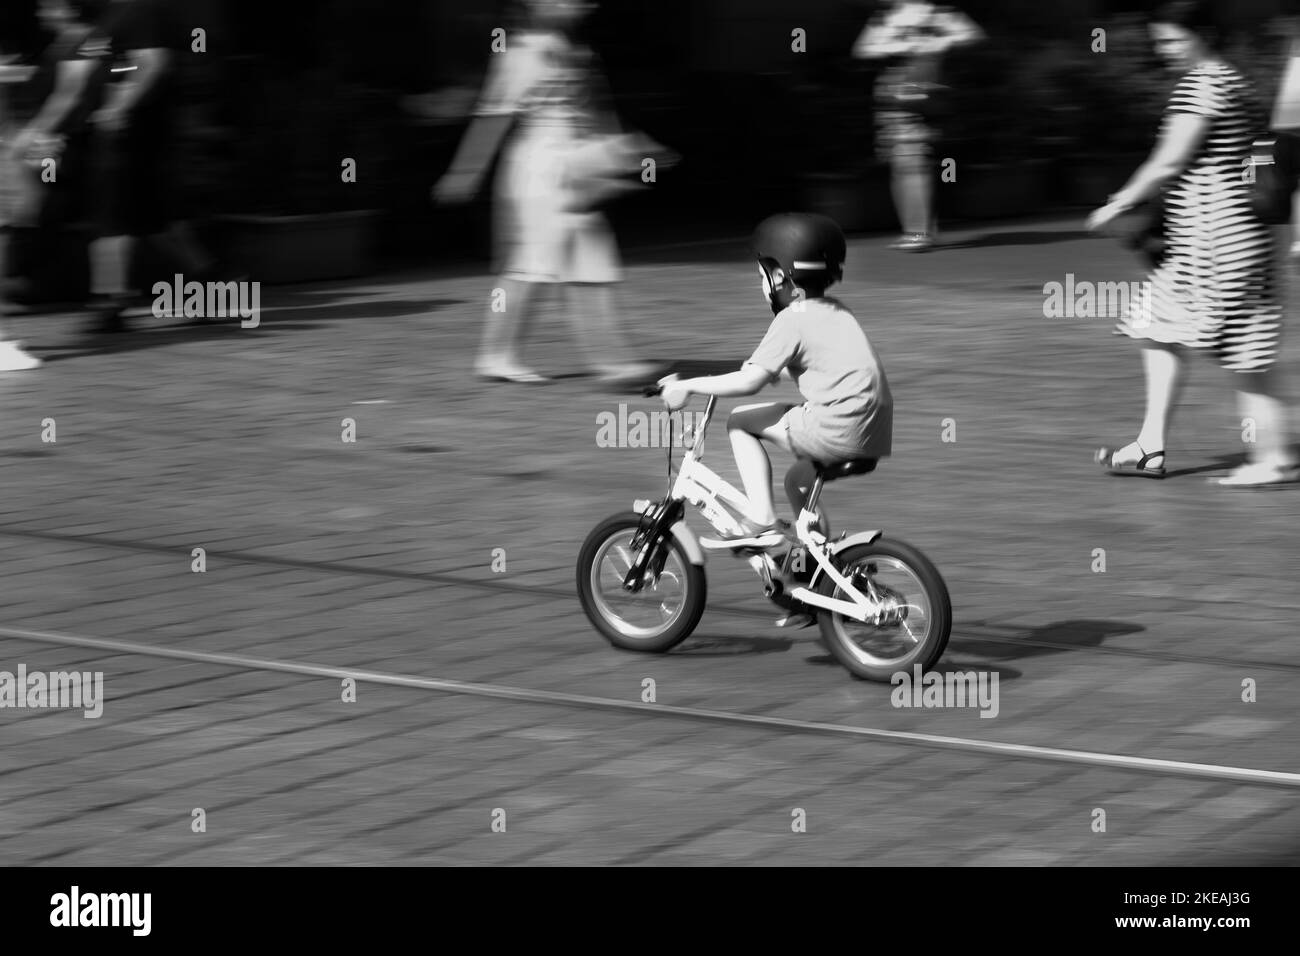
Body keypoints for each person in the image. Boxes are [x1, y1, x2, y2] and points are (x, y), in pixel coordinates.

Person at [1087, 0, 1299, 487]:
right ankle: (1149, 445)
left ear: (1202, 34)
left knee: (1244, 350)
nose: (1163, 50)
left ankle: (1273, 459)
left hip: (1217, 242)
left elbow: (1169, 160)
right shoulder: (1231, 78)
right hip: (1217, 240)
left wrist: (1119, 203)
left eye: (1172, 40)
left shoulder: (1203, 84)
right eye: (1159, 41)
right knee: (1155, 325)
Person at [433, 0, 668, 386]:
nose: (578, 6)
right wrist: (465, 171)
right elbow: (493, 117)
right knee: (535, 267)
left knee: (583, 259)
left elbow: (595, 114)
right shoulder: (521, 54)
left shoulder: (575, 51)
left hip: (574, 168)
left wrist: (622, 150)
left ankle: (601, 359)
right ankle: (507, 354)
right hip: (539, 173)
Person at [658, 213, 894, 550]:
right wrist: (771, 370)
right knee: (797, 481)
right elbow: (821, 363)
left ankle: (761, 520)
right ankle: (817, 558)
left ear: (780, 275)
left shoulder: (791, 319)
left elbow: (750, 382)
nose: (761, 285)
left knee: (740, 421)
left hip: (836, 425)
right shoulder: (836, 311)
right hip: (874, 429)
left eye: (761, 276)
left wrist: (688, 385)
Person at [853, 0, 983, 252]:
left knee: (913, 162)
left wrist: (936, 42)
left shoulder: (937, 12)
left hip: (922, 98)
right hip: (892, 98)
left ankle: (918, 233)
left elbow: (971, 36)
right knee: (902, 165)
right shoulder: (885, 16)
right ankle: (919, 230)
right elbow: (864, 49)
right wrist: (905, 45)